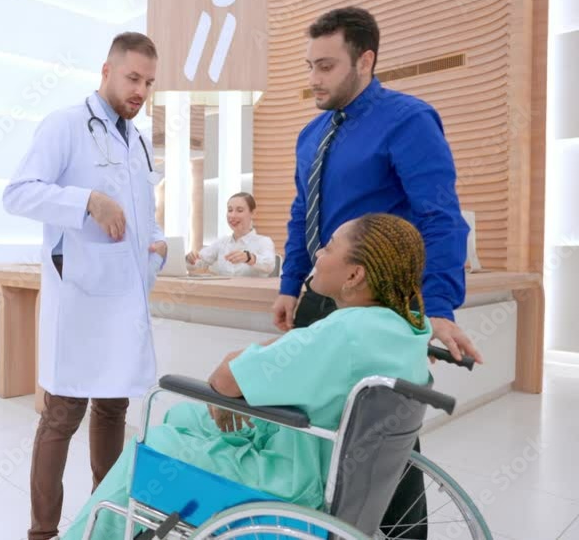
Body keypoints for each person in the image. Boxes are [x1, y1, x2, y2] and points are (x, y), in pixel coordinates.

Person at [63, 213, 433, 540]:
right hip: (336, 469)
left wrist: (240, 361)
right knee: (184, 417)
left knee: (154, 442)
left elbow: (224, 381)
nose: (318, 254)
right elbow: (297, 354)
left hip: (291, 480)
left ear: (355, 274)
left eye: (330, 248)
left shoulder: (343, 333)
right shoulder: (407, 327)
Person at [270, 7, 482, 538]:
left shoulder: (408, 120)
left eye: (325, 66)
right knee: (319, 437)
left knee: (383, 445)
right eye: (309, 65)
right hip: (322, 300)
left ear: (364, 60)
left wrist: (437, 306)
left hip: (381, 306)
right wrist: (290, 284)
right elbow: (302, 213)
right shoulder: (311, 134)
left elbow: (439, 217)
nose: (313, 79)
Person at [2, 32, 166, 540]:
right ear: (107, 71)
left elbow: (143, 214)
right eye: (132, 78)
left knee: (114, 409)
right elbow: (19, 194)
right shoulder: (66, 125)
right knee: (61, 416)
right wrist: (88, 201)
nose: (140, 90)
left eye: (148, 82)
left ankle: (105, 520)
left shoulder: (137, 140)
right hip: (81, 302)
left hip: (123, 301)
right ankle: (43, 532)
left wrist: (156, 245)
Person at [185, 192, 276, 277]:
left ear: (252, 213)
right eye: (230, 210)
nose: (232, 215)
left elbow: (269, 265)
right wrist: (190, 258)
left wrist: (249, 258)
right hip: (223, 292)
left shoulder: (264, 241)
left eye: (239, 210)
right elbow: (196, 263)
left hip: (252, 293)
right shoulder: (222, 242)